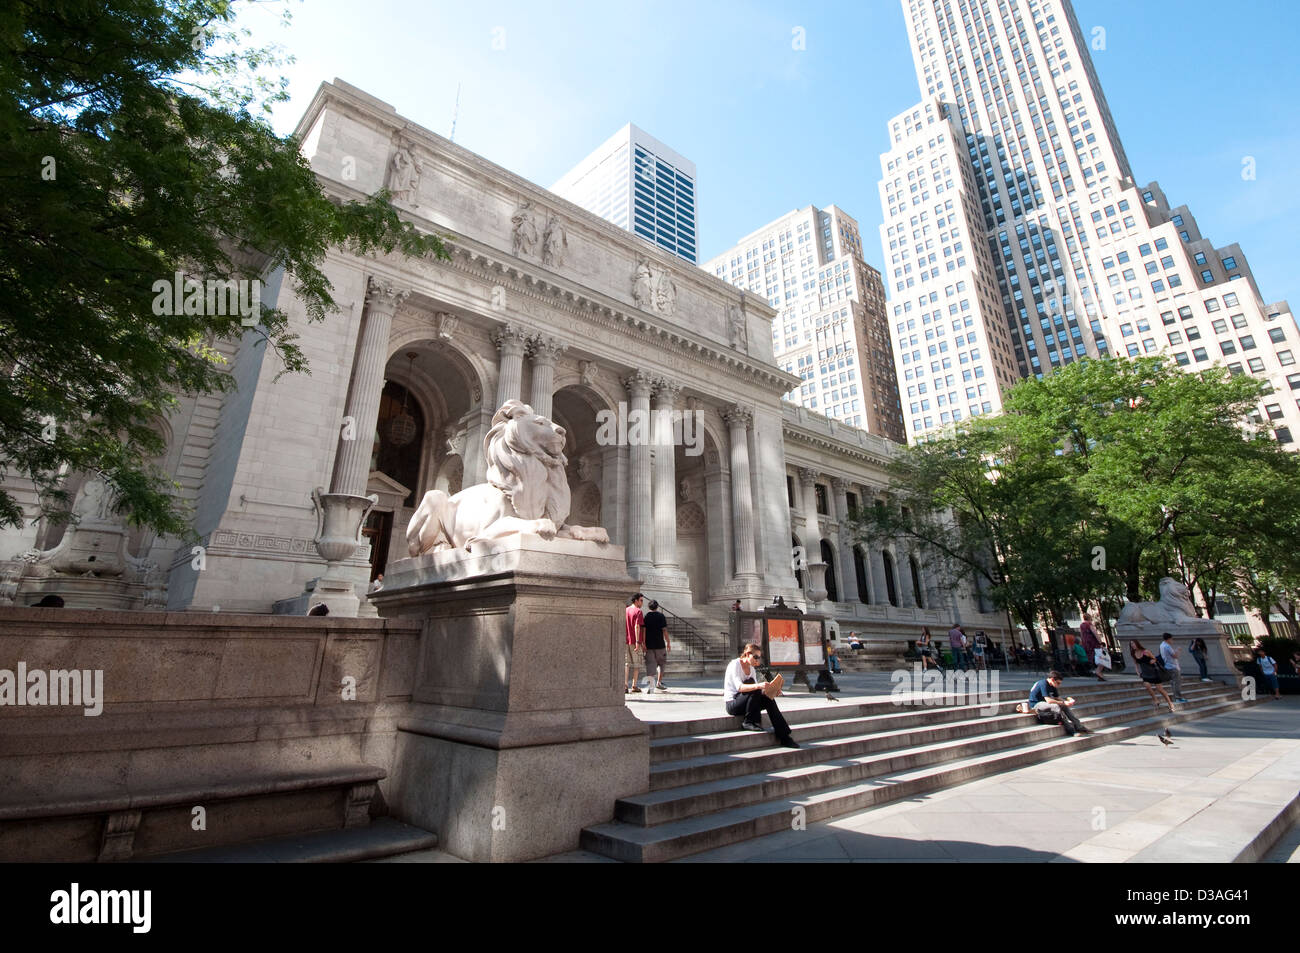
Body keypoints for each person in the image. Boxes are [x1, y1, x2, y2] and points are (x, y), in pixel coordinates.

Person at [724, 643, 798, 748]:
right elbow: (739, 687)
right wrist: (759, 686)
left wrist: (772, 691)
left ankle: (784, 737)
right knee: (755, 687)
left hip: (747, 703)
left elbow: (756, 694)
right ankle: (748, 722)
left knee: (769, 699)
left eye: (759, 657)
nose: (757, 660)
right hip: (733, 704)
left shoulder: (752, 669)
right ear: (747, 654)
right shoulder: (734, 664)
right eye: (755, 657)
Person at [1027, 671, 1089, 736]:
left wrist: (1066, 702)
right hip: (1036, 704)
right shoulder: (1043, 684)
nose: (1058, 685)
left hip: (1044, 703)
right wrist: (1063, 702)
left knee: (1063, 706)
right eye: (1058, 683)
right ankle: (1071, 730)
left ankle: (1079, 726)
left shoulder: (1053, 685)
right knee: (1057, 707)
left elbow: (1057, 697)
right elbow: (1049, 700)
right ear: (1052, 679)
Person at [1129, 640, 1176, 712]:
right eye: (1131, 644)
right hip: (1145, 673)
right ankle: (1155, 699)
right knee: (1146, 685)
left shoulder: (1146, 652)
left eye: (1133, 643)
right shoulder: (1133, 654)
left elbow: (1155, 658)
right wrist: (1137, 672)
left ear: (1137, 644)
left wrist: (1153, 660)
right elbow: (1136, 663)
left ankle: (1170, 703)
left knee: (1160, 689)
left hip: (1154, 672)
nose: (1132, 645)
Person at [643, 599, 670, 691]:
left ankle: (651, 685)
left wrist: (643, 643)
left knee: (650, 665)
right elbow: (664, 630)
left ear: (649, 607)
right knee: (661, 664)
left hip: (649, 645)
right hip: (660, 645)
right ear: (657, 607)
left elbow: (644, 630)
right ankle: (658, 682)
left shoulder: (646, 616)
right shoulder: (661, 616)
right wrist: (668, 642)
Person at [625, 593, 646, 694]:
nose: (642, 602)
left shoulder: (626, 610)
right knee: (637, 664)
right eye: (641, 600)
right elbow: (637, 626)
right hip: (634, 641)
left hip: (625, 640)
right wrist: (638, 642)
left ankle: (625, 685)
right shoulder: (638, 611)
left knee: (627, 663)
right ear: (636, 600)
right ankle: (634, 685)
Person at [1159, 633, 1187, 702]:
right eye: (1171, 639)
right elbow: (1175, 656)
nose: (1172, 640)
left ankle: (1176, 697)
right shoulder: (1167, 646)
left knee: (1174, 683)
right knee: (1176, 682)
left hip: (1167, 666)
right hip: (1172, 666)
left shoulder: (1161, 645)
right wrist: (1178, 650)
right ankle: (1177, 697)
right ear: (1168, 639)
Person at [1080, 613, 1106, 681]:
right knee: (1102, 657)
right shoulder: (1089, 624)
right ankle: (1098, 671)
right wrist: (1101, 642)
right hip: (1094, 643)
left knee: (1093, 658)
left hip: (1087, 644)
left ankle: (1099, 673)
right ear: (1090, 618)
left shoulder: (1082, 625)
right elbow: (1095, 633)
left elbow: (1082, 635)